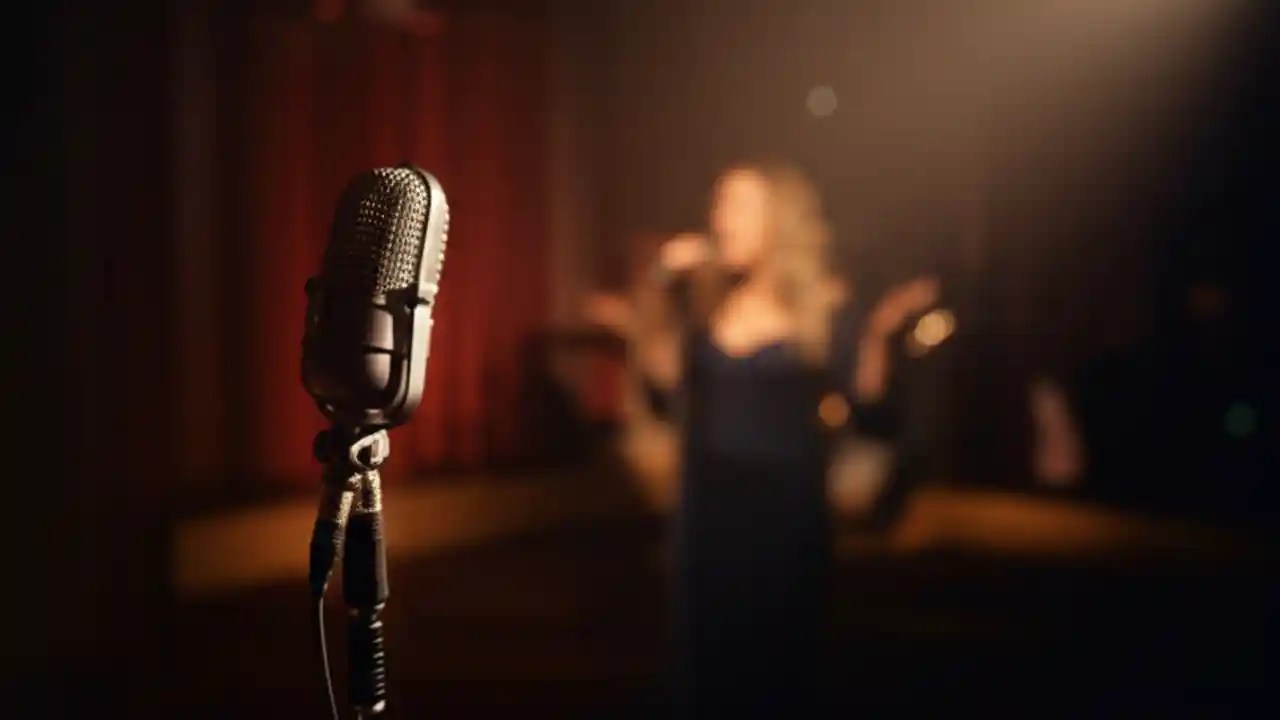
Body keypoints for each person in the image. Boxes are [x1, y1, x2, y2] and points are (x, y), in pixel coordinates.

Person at [620, 162, 938, 717]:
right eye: (718, 203)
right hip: (707, 510)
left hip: (784, 510)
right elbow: (664, 384)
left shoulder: (823, 303)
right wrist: (660, 281)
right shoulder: (706, 303)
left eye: (738, 205)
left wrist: (878, 333)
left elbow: (869, 406)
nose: (720, 217)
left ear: (778, 220)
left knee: (777, 658)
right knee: (706, 660)